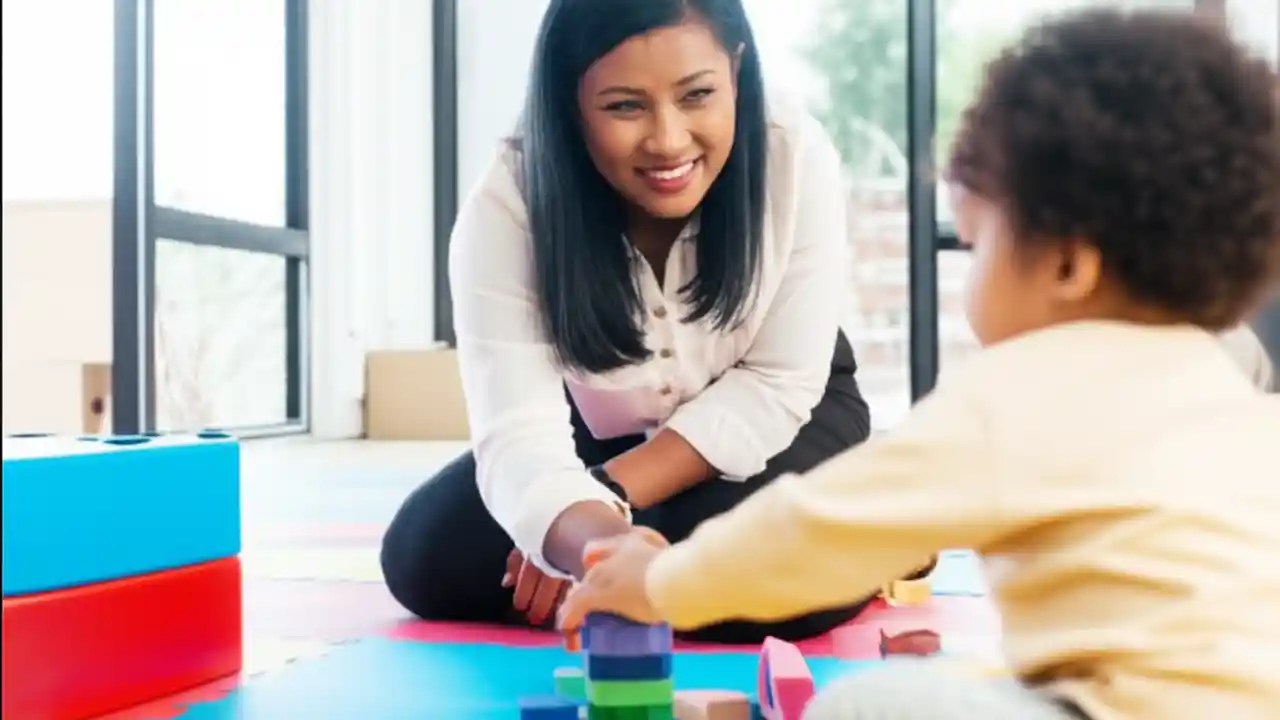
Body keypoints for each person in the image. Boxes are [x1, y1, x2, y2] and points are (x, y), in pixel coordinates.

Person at [558, 8, 1280, 719]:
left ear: (1067, 265)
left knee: (868, 703)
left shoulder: (1018, 399)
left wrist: (662, 581)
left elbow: (820, 531)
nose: (971, 270)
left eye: (976, 244)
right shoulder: (1230, 391)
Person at [380, 0, 901, 643]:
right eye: (625, 106)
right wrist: (603, 549)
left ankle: (890, 540)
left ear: (736, 71)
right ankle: (733, 547)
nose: (669, 140)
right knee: (425, 556)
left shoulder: (793, 153)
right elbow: (518, 437)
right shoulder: (509, 201)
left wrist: (604, 499)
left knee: (778, 595)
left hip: (784, 407)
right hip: (610, 423)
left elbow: (777, 383)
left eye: (698, 95)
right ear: (569, 105)